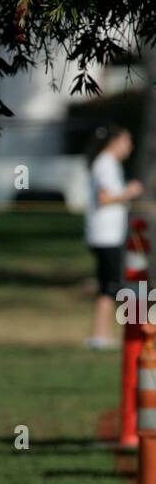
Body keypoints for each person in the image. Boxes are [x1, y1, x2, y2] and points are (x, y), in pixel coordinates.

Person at [84, 125, 142, 350]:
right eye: (127, 142)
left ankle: (102, 333)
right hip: (105, 234)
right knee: (109, 285)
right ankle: (100, 335)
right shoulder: (106, 164)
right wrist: (130, 192)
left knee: (108, 284)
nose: (129, 147)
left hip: (107, 233)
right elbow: (104, 198)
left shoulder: (107, 163)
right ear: (115, 142)